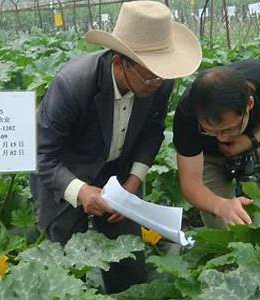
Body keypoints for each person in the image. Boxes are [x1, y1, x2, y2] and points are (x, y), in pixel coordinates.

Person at [30, 1, 201, 294]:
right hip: (67, 175)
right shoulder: (72, 85)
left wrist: (133, 183)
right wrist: (81, 192)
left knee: (129, 265)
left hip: (118, 175)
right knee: (65, 268)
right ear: (120, 63)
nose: (158, 83)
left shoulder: (159, 81)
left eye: (162, 75)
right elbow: (41, 154)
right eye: (149, 75)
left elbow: (151, 133)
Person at [173, 59, 260, 228]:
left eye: (229, 130)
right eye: (209, 130)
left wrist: (255, 136)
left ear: (249, 104)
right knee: (222, 229)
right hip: (208, 155)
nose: (221, 138)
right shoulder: (187, 113)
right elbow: (191, 184)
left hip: (258, 140)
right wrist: (220, 205)